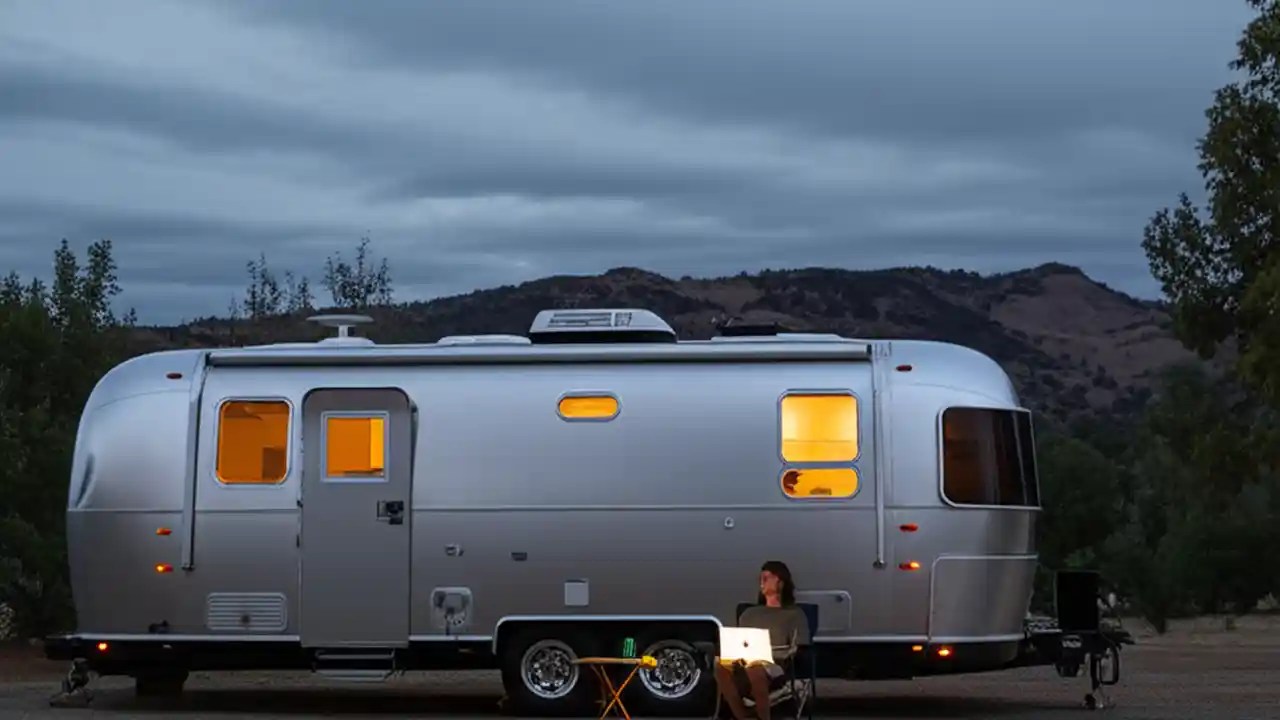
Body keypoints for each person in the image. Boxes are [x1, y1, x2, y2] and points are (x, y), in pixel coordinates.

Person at [714, 560, 810, 720]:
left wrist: (778, 653)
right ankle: (743, 716)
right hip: (744, 661)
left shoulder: (794, 614)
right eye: (761, 578)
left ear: (780, 582)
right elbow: (740, 641)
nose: (762, 582)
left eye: (767, 577)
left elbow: (800, 645)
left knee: (755, 666)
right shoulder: (749, 613)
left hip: (776, 664)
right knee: (719, 665)